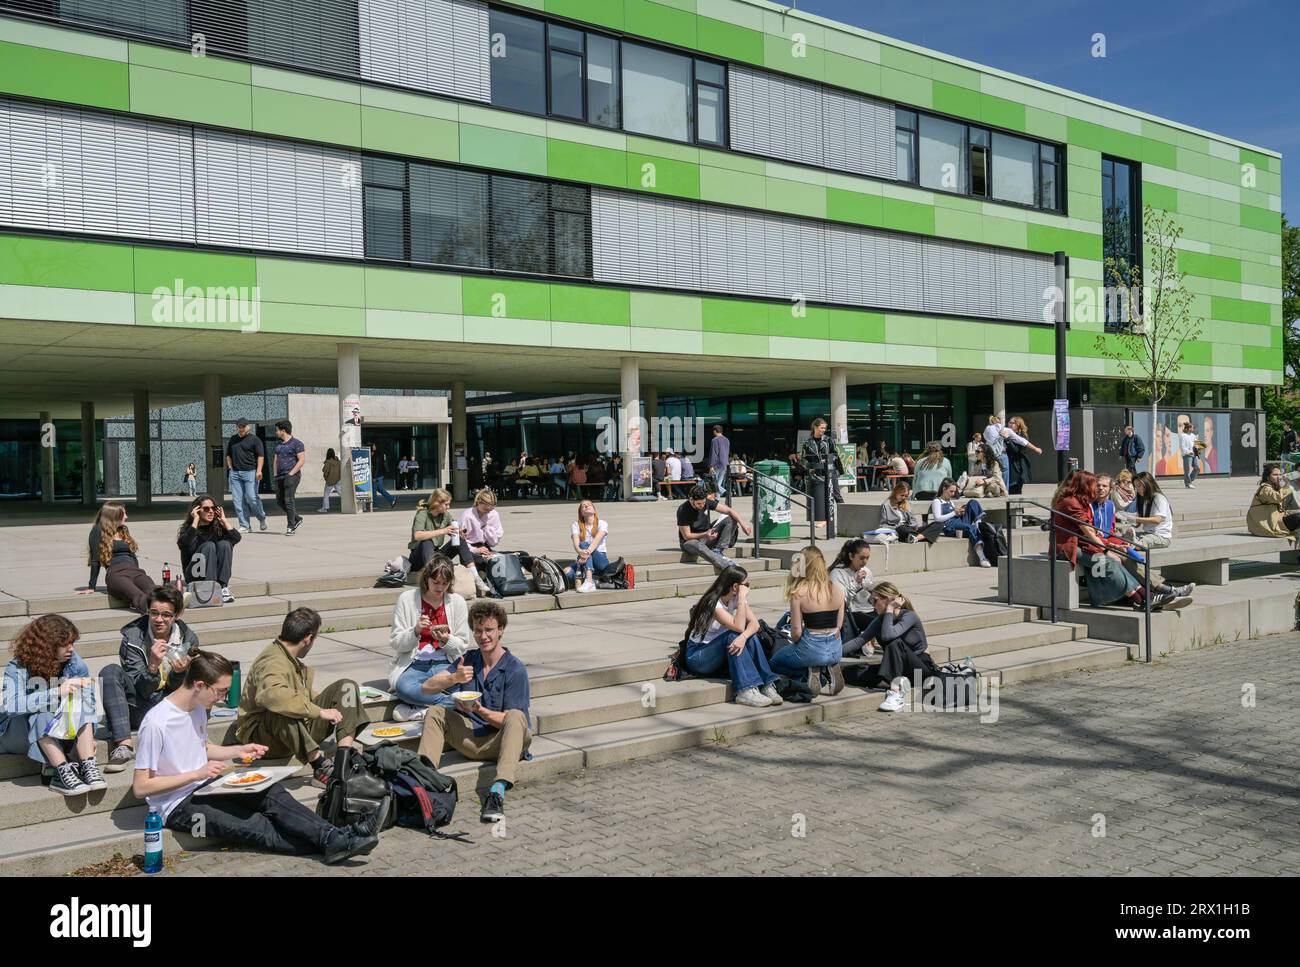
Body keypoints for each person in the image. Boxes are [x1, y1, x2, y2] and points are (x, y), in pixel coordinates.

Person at [134, 649, 379, 863]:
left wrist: (238, 750)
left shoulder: (198, 708)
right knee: (254, 825)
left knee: (271, 791)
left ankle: (336, 837)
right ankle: (339, 839)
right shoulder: (157, 723)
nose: (222, 698)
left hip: (205, 785)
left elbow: (202, 747)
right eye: (220, 691)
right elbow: (141, 787)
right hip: (176, 805)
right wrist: (195, 774)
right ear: (199, 685)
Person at [417, 600, 532, 824]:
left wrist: (480, 710)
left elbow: (512, 722)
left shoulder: (515, 669)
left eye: (489, 630)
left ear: (500, 630)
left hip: (504, 742)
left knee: (516, 717)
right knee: (437, 712)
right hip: (470, 738)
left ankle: (497, 793)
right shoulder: (468, 660)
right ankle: (423, 782)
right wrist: (454, 678)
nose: (483, 636)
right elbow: (426, 688)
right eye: (478, 631)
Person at [236, 608, 370, 787]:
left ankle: (342, 760)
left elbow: (301, 694)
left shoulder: (287, 655)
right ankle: (319, 765)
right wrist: (319, 712)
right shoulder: (272, 661)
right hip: (265, 738)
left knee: (347, 687)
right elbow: (272, 696)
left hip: (295, 729)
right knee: (280, 708)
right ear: (308, 638)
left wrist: (327, 704)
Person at [97, 585, 199, 772]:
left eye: (166, 615)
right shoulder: (132, 639)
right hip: (140, 705)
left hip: (170, 707)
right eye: (154, 613)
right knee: (110, 672)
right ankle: (124, 745)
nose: (159, 620)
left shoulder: (188, 640)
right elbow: (141, 688)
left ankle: (194, 740)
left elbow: (180, 690)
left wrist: (179, 673)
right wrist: (152, 666)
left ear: (177, 615)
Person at [1054, 471, 1189, 611]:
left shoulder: (1106, 505)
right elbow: (1089, 533)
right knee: (1109, 561)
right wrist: (1107, 549)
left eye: (1103, 486)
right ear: (1081, 485)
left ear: (1110, 489)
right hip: (1074, 546)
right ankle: (1145, 598)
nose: (1097, 488)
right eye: (1094, 484)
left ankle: (1156, 593)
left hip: (1091, 543)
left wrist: (1118, 544)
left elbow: (1106, 532)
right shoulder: (1077, 503)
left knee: (1126, 556)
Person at [0, 614, 104, 796]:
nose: (71, 648)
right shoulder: (17, 667)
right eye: (65, 644)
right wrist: (56, 692)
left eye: (72, 642)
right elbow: (11, 706)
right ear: (46, 646)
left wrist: (89, 735)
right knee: (42, 710)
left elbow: (90, 700)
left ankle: (89, 765)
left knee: (81, 698)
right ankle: (61, 770)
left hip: (57, 728)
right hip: (17, 733)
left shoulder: (74, 662)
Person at [387, 557, 474, 721]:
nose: (440, 588)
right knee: (403, 687)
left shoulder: (457, 602)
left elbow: (462, 645)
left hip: (446, 662)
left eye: (445, 583)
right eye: (436, 582)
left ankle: (423, 712)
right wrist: (415, 631)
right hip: (415, 663)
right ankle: (448, 706)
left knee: (472, 688)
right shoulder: (407, 599)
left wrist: (447, 640)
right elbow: (396, 642)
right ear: (426, 578)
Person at [683, 566, 782, 708]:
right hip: (698, 656)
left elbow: (755, 624)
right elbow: (738, 626)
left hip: (717, 652)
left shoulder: (734, 599)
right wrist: (742, 599)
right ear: (735, 587)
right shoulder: (713, 603)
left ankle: (766, 684)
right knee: (734, 635)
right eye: (746, 585)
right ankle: (745, 691)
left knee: (748, 636)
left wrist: (744, 637)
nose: (748, 589)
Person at [843, 583, 933, 711]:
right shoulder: (881, 620)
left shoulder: (909, 616)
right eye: (871, 601)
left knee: (894, 643)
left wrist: (890, 608)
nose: (873, 605)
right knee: (849, 672)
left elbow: (887, 635)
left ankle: (896, 692)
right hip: (898, 670)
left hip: (919, 669)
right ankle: (896, 683)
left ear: (887, 599)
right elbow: (859, 641)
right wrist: (831, 655)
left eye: (875, 601)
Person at [769, 546, 844, 696]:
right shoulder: (836, 589)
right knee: (815, 654)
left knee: (774, 662)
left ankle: (808, 672)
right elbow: (839, 625)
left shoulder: (799, 593)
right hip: (836, 649)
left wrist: (798, 641)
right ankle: (827, 665)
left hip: (811, 648)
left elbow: (796, 633)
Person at [85, 502, 155, 612]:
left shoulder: (123, 530)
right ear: (114, 515)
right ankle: (156, 615)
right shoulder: (97, 531)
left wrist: (139, 571)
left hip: (135, 571)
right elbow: (95, 560)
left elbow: (132, 555)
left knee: (154, 592)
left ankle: (170, 612)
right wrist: (91, 586)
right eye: (123, 514)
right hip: (116, 574)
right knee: (138, 596)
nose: (126, 517)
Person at [177, 494, 241, 603]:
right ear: (197, 511)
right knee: (209, 546)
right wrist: (195, 520)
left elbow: (236, 538)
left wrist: (224, 520)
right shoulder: (189, 529)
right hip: (195, 575)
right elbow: (184, 544)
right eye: (206, 509)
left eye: (213, 508)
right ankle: (209, 588)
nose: (211, 511)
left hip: (214, 575)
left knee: (225, 544)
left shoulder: (217, 528)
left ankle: (222, 587)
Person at [677, 484, 753, 570]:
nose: (702, 505)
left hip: (707, 536)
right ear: (691, 499)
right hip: (690, 542)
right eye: (698, 503)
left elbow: (729, 510)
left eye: (703, 503)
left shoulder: (706, 502)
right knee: (696, 544)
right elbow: (687, 536)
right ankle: (725, 565)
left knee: (730, 518)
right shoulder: (683, 510)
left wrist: (743, 524)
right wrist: (705, 534)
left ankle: (718, 550)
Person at [928, 479, 998, 567]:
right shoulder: (937, 501)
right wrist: (954, 513)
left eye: (954, 491)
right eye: (951, 491)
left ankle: (979, 528)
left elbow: (954, 515)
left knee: (973, 502)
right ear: (944, 489)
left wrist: (960, 512)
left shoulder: (950, 501)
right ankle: (982, 557)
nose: (953, 494)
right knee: (971, 528)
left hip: (957, 521)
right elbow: (937, 519)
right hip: (949, 526)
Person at [459, 488, 504, 598]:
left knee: (516, 555)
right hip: (469, 550)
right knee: (485, 563)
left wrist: (486, 527)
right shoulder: (468, 515)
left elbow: (494, 542)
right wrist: (475, 550)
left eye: (490, 509)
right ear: (478, 503)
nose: (487, 511)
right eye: (485, 509)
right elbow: (461, 541)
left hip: (486, 547)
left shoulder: (493, 514)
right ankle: (481, 577)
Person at [801, 417, 844, 532]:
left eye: (825, 428)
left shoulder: (828, 440)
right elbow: (803, 459)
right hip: (817, 473)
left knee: (836, 495)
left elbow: (835, 454)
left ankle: (846, 516)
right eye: (821, 428)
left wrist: (828, 460)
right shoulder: (807, 443)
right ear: (815, 427)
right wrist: (810, 467)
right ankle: (826, 520)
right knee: (823, 497)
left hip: (830, 471)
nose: (823, 430)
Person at [225, 418, 268, 533]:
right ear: (236, 427)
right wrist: (230, 467)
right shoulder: (233, 439)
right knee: (238, 501)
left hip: (250, 473)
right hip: (235, 474)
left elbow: (261, 456)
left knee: (251, 497)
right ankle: (245, 525)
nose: (241, 429)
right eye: (239, 427)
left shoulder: (255, 440)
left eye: (243, 426)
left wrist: (259, 471)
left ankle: (262, 518)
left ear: (248, 427)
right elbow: (228, 455)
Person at [828, 539, 874, 637]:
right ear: (851, 556)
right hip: (851, 613)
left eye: (867, 558)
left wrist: (874, 594)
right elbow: (841, 601)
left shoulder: (866, 571)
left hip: (868, 609)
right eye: (862, 558)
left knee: (889, 617)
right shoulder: (837, 573)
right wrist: (856, 583)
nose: (865, 561)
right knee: (877, 624)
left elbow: (870, 599)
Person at [407, 488, 459, 571]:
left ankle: (473, 571)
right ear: (437, 503)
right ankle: (432, 573)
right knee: (427, 541)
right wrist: (443, 531)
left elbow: (452, 530)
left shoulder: (446, 515)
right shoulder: (422, 513)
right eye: (446, 504)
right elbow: (417, 535)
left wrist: (460, 532)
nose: (448, 507)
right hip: (419, 557)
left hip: (435, 554)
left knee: (459, 540)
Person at [566, 500, 609, 592]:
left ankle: (589, 581)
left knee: (583, 544)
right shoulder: (576, 525)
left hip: (600, 562)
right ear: (581, 513)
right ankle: (594, 579)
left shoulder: (602, 523)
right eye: (583, 506)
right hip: (584, 558)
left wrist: (586, 553)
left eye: (589, 505)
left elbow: (596, 541)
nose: (586, 506)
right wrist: (580, 552)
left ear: (594, 510)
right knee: (567, 572)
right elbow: (576, 545)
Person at [1248, 463, 1300, 538]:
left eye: (1280, 474)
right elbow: (1278, 497)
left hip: (1274, 520)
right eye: (1275, 475)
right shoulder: (1265, 489)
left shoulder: (1274, 488)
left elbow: (1281, 511)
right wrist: (1287, 483)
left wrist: (1296, 511)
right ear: (1268, 477)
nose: (1279, 477)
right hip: (1265, 525)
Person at [272, 420, 305, 536]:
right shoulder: (279, 445)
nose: (276, 432)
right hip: (279, 476)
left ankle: (291, 527)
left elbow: (301, 460)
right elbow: (276, 460)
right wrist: (275, 474)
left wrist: (291, 474)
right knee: (279, 501)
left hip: (292, 475)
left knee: (288, 500)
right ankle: (297, 518)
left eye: (277, 430)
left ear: (283, 431)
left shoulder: (297, 443)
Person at [1004, 416, 1043, 495]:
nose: (1010, 424)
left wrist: (1007, 439)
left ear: (1018, 425)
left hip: (1017, 466)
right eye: (1009, 422)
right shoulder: (1007, 434)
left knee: (1014, 490)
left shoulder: (1022, 436)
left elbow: (1016, 450)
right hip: (1009, 464)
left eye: (1012, 423)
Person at [983, 414, 1010, 487]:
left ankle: (994, 490)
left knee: (992, 473)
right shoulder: (999, 426)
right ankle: (1004, 490)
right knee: (1004, 471)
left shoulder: (987, 429)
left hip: (991, 454)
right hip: (1001, 453)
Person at [707, 425, 731, 498]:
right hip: (725, 463)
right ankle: (717, 499)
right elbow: (727, 452)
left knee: (712, 482)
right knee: (719, 482)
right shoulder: (727, 440)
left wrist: (711, 465)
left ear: (715, 431)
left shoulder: (715, 440)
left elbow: (714, 453)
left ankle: (725, 492)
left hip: (717, 464)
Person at [319, 448, 341, 513]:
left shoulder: (328, 462)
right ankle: (347, 505)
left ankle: (325, 508)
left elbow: (325, 471)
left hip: (330, 480)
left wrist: (326, 478)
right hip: (338, 480)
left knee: (326, 494)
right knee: (341, 494)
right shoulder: (338, 462)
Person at [1178, 421, 1199, 488]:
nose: (1193, 429)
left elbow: (1195, 444)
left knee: (1197, 468)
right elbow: (1182, 446)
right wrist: (1188, 452)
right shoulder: (1183, 436)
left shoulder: (1193, 436)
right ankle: (1188, 484)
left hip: (1194, 454)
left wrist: (1196, 448)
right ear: (1189, 428)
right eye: (1192, 427)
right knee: (1187, 470)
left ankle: (1189, 480)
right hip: (1187, 455)